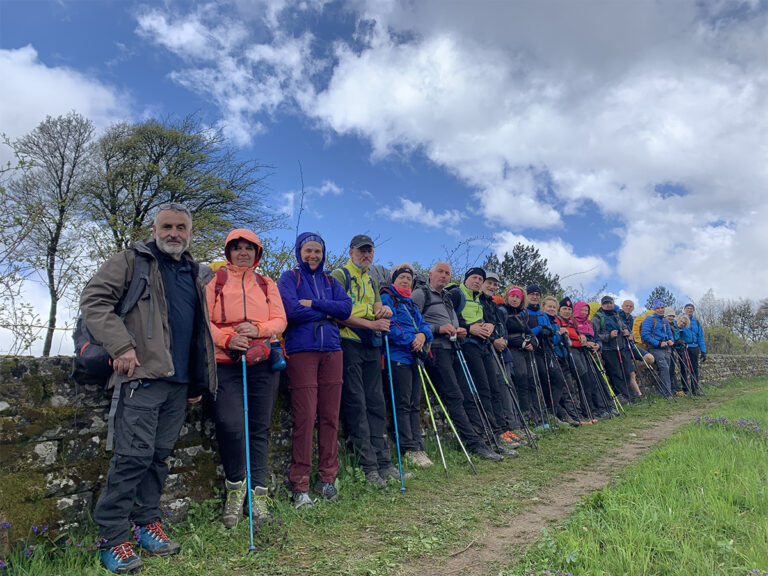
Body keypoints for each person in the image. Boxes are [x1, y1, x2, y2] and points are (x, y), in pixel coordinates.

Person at [81, 203, 217, 574]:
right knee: (131, 459)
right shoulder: (131, 260)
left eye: (181, 227)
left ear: (191, 232)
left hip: (179, 383)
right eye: (167, 226)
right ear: (154, 228)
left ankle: (145, 524)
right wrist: (121, 345)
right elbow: (94, 300)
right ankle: (112, 539)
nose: (174, 233)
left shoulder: (193, 271)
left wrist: (196, 381)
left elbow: (193, 331)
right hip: (142, 377)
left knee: (158, 459)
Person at [206, 229, 287, 527]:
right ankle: (235, 490)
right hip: (225, 361)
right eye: (237, 248)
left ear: (257, 253)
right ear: (228, 252)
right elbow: (205, 320)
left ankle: (258, 495)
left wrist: (257, 330)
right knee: (231, 424)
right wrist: (228, 340)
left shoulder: (267, 284)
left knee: (259, 428)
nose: (243, 253)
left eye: (248, 248)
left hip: (262, 360)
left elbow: (280, 319)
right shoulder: (215, 281)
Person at [277, 233, 352, 508]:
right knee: (305, 417)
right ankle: (300, 485)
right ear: (299, 251)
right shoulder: (289, 278)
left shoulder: (331, 280)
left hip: (332, 350)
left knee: (330, 417)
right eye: (308, 250)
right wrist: (328, 313)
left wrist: (316, 304)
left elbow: (346, 308)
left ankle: (327, 479)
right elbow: (291, 311)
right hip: (302, 352)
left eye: (318, 251)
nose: (313, 256)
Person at [411, 262, 502, 461]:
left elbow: (453, 322)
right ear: (430, 274)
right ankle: (474, 443)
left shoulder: (447, 297)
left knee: (468, 394)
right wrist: (438, 329)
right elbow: (411, 321)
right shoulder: (420, 294)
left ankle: (486, 438)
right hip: (436, 350)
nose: (444, 276)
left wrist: (460, 330)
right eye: (440, 272)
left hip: (454, 348)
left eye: (447, 273)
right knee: (454, 396)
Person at [331, 235, 400, 487]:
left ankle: (384, 463)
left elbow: (377, 306)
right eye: (361, 251)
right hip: (348, 342)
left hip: (371, 343)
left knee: (376, 403)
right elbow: (339, 313)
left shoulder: (371, 278)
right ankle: (368, 467)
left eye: (369, 251)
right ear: (350, 253)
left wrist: (385, 311)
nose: (365, 255)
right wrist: (372, 319)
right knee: (356, 404)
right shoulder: (339, 275)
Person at [448, 268, 519, 454]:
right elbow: (450, 318)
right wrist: (469, 328)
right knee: (481, 390)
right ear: (466, 279)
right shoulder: (456, 294)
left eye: (480, 279)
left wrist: (490, 325)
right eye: (474, 278)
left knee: (493, 388)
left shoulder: (480, 298)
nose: (478, 281)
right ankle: (490, 432)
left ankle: (498, 430)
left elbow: (489, 318)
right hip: (467, 345)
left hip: (484, 345)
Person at [379, 263, 434, 467]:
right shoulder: (388, 298)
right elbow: (389, 327)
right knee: (402, 404)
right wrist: (412, 339)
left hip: (414, 357)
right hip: (397, 357)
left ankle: (417, 446)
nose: (405, 281)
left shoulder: (410, 303)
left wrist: (421, 336)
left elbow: (425, 326)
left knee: (413, 404)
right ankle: (408, 448)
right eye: (401, 277)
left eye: (408, 279)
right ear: (394, 279)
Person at [525, 286, 570, 427]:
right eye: (532, 294)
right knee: (544, 380)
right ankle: (546, 413)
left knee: (558, 380)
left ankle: (553, 410)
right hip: (533, 351)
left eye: (537, 294)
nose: (534, 296)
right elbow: (525, 331)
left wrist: (553, 334)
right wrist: (539, 329)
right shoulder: (524, 312)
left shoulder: (542, 315)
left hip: (548, 351)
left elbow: (552, 337)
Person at [500, 286, 538, 426]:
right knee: (520, 381)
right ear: (507, 297)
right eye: (512, 296)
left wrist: (532, 342)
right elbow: (503, 333)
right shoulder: (502, 311)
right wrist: (521, 343)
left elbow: (528, 331)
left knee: (528, 381)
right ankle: (523, 415)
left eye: (518, 297)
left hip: (524, 350)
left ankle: (528, 414)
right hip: (513, 350)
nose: (515, 299)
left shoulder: (521, 314)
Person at [591, 296, 633, 402]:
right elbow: (595, 335)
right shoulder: (597, 318)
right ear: (602, 305)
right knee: (616, 373)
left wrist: (626, 332)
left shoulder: (616, 315)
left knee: (627, 371)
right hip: (608, 349)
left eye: (610, 303)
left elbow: (623, 326)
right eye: (606, 303)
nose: (608, 305)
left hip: (621, 346)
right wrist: (609, 335)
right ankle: (623, 396)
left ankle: (628, 394)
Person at [641, 299, 675, 398]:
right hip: (655, 348)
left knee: (666, 369)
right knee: (664, 368)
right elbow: (645, 336)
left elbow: (669, 333)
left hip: (666, 348)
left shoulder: (664, 320)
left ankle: (662, 391)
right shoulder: (649, 319)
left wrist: (671, 340)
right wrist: (658, 343)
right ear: (654, 309)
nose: (660, 310)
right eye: (658, 308)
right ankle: (668, 393)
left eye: (662, 308)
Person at [617, 300, 642, 398]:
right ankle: (638, 395)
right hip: (623, 347)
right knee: (631, 374)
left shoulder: (631, 318)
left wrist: (631, 336)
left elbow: (630, 331)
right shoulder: (617, 316)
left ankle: (633, 370)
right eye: (626, 306)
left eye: (631, 306)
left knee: (649, 358)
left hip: (631, 345)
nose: (628, 308)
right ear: (622, 306)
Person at [682, 303, 706, 385]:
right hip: (684, 347)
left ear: (693, 311)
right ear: (684, 310)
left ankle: (695, 388)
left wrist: (703, 351)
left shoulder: (697, 322)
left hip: (695, 347)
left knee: (695, 368)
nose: (689, 310)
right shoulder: (681, 320)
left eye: (691, 309)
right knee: (684, 368)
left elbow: (701, 337)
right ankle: (685, 389)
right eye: (688, 308)